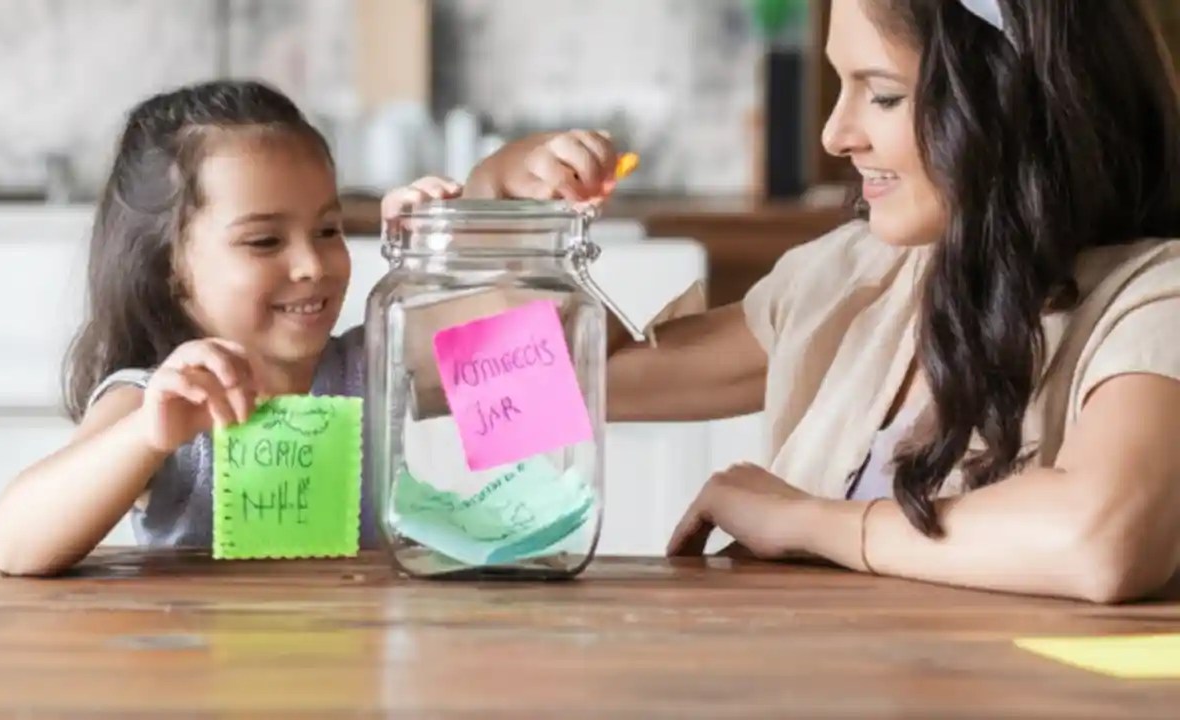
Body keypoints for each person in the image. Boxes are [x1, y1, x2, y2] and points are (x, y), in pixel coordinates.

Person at [466, 0, 1180, 603]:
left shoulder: (1154, 299)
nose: (835, 134)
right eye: (841, 85)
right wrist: (497, 208)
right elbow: (524, 395)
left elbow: (1102, 540)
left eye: (884, 94)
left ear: (1013, 102)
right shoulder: (850, 277)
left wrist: (811, 521)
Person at [0, 80, 615, 576]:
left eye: (328, 230)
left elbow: (544, 328)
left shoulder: (379, 362)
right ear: (170, 270)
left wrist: (450, 246)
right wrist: (148, 436)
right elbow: (17, 545)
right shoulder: (155, 398)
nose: (312, 265)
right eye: (264, 241)